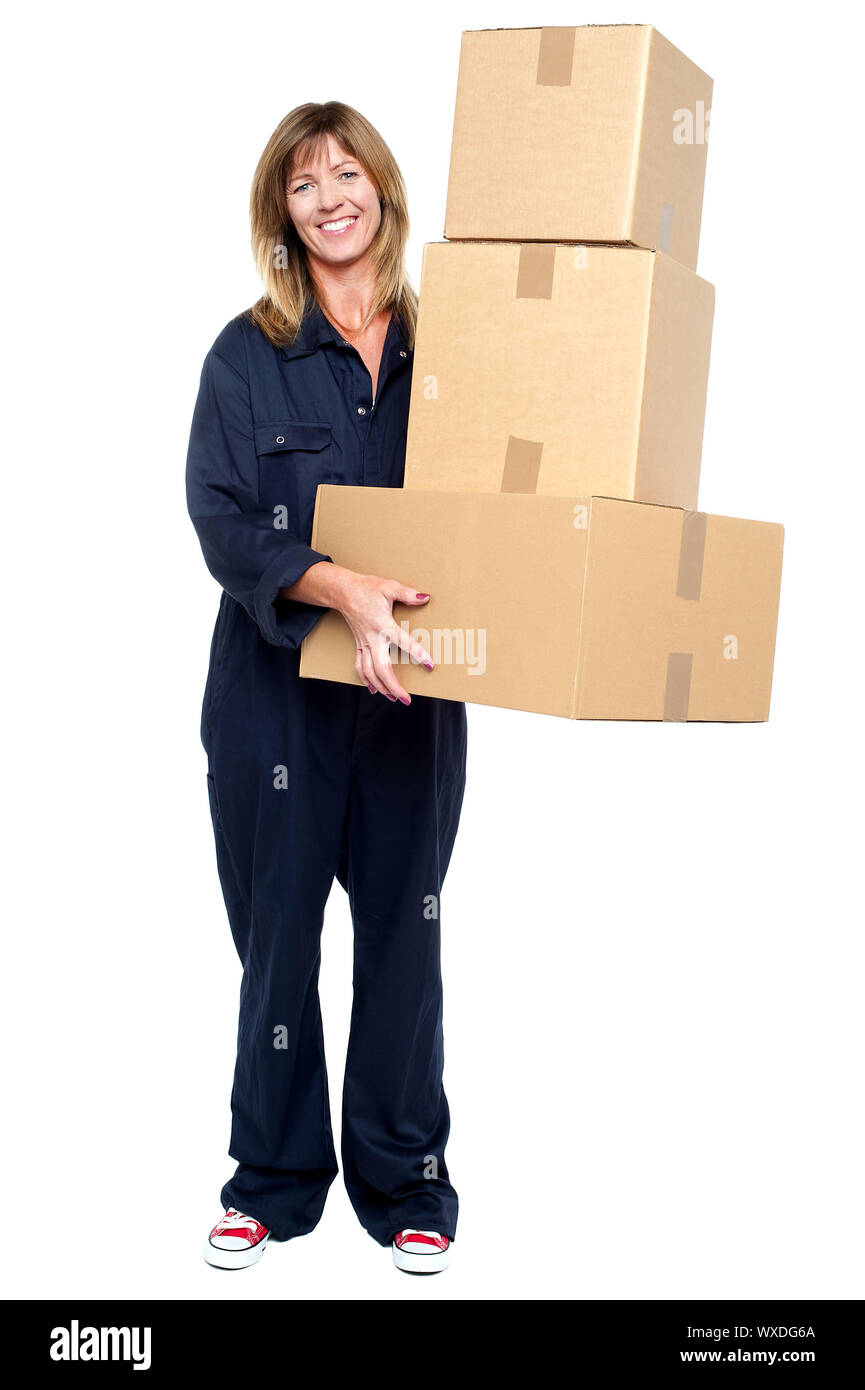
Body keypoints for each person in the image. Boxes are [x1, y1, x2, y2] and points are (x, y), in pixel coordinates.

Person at [186, 102, 467, 1276]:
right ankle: (273, 1177)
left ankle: (405, 1179)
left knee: (405, 942)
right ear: (280, 214)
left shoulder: (452, 347)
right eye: (304, 184)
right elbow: (219, 514)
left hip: (411, 699)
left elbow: (504, 500)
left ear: (382, 191)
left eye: (347, 173)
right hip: (276, 704)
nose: (329, 197)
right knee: (279, 946)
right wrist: (331, 584)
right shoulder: (246, 353)